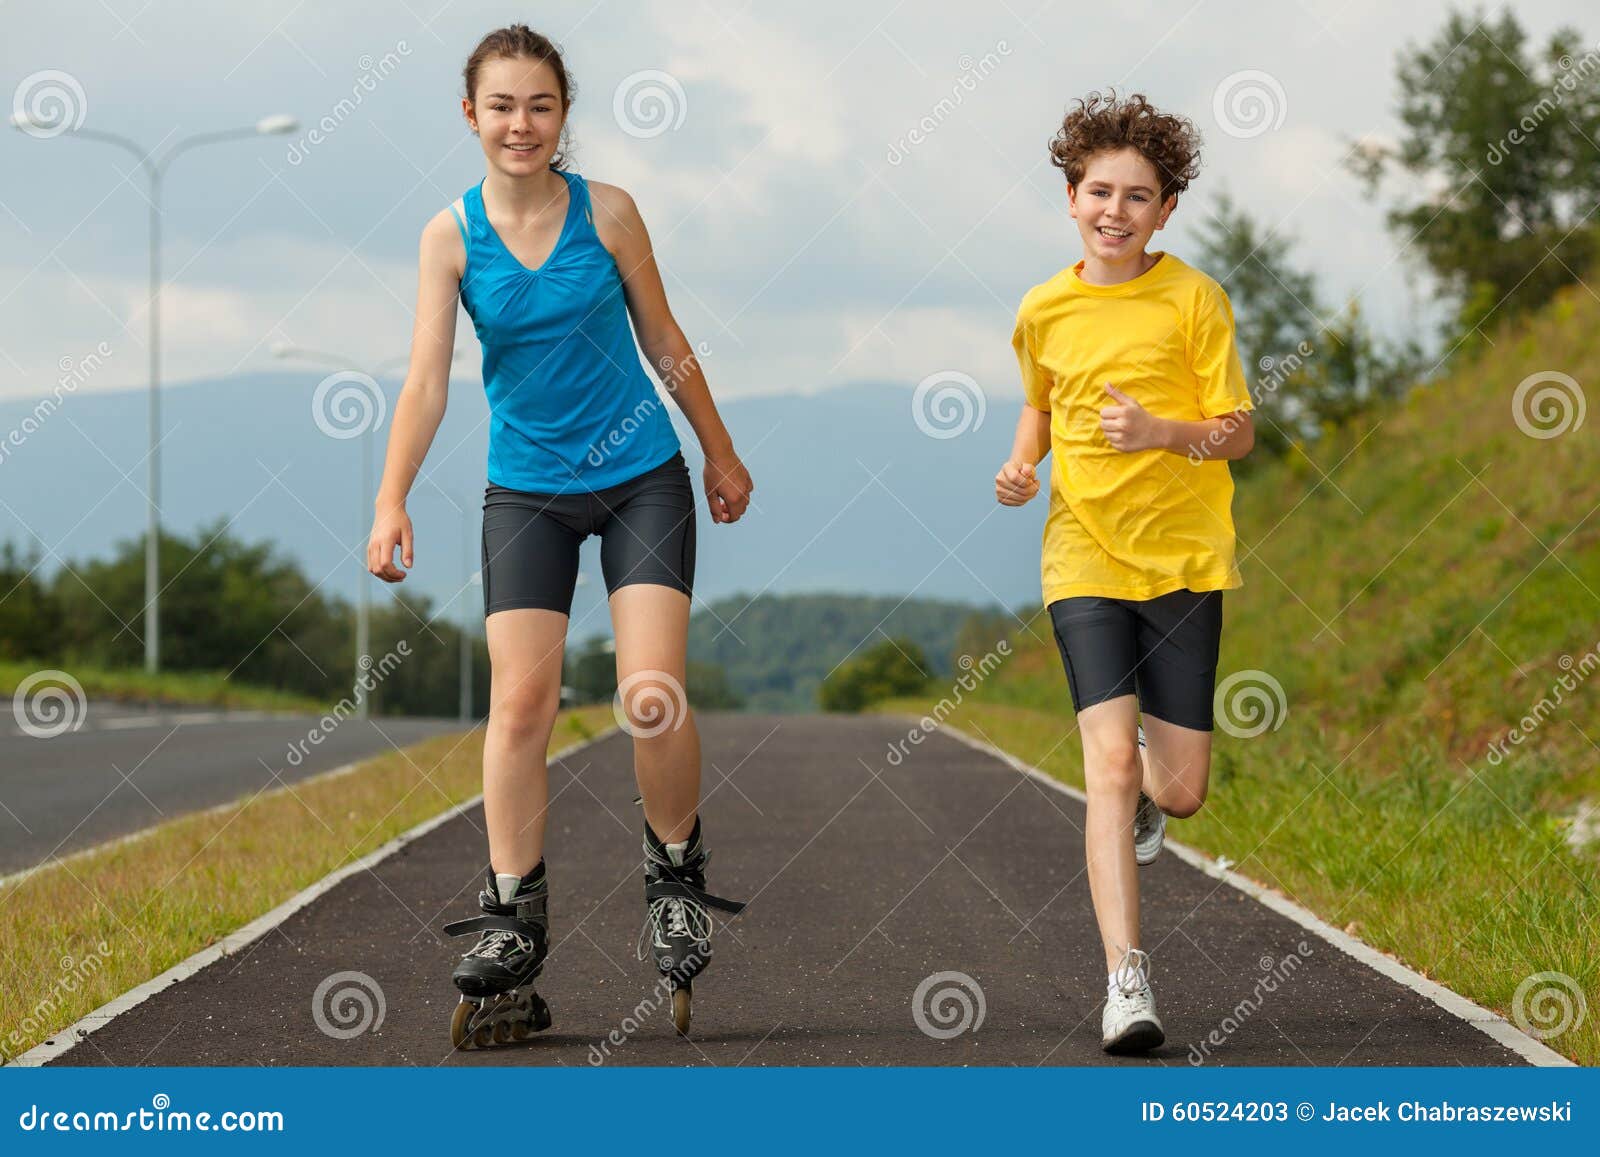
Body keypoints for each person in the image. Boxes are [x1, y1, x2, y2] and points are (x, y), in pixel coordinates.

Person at [366, 24, 752, 1044]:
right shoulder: (449, 237)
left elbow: (665, 342)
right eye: (501, 105)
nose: (520, 124)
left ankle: (674, 876)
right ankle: (512, 916)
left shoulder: (610, 213)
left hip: (640, 480)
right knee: (522, 699)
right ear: (470, 116)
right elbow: (423, 380)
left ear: (562, 115)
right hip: (526, 491)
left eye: (539, 105)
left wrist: (718, 451)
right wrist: (390, 498)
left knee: (649, 693)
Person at [994, 90, 1255, 1054]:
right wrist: (1025, 465)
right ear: (1070, 197)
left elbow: (1238, 431)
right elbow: (1040, 405)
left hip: (1184, 558)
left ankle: (1154, 794)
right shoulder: (1044, 307)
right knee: (1107, 764)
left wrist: (1162, 433)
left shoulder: (1194, 300)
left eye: (1137, 196)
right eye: (1098, 190)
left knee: (1178, 788)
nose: (1115, 210)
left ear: (1165, 210)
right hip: (1084, 557)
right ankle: (1126, 979)